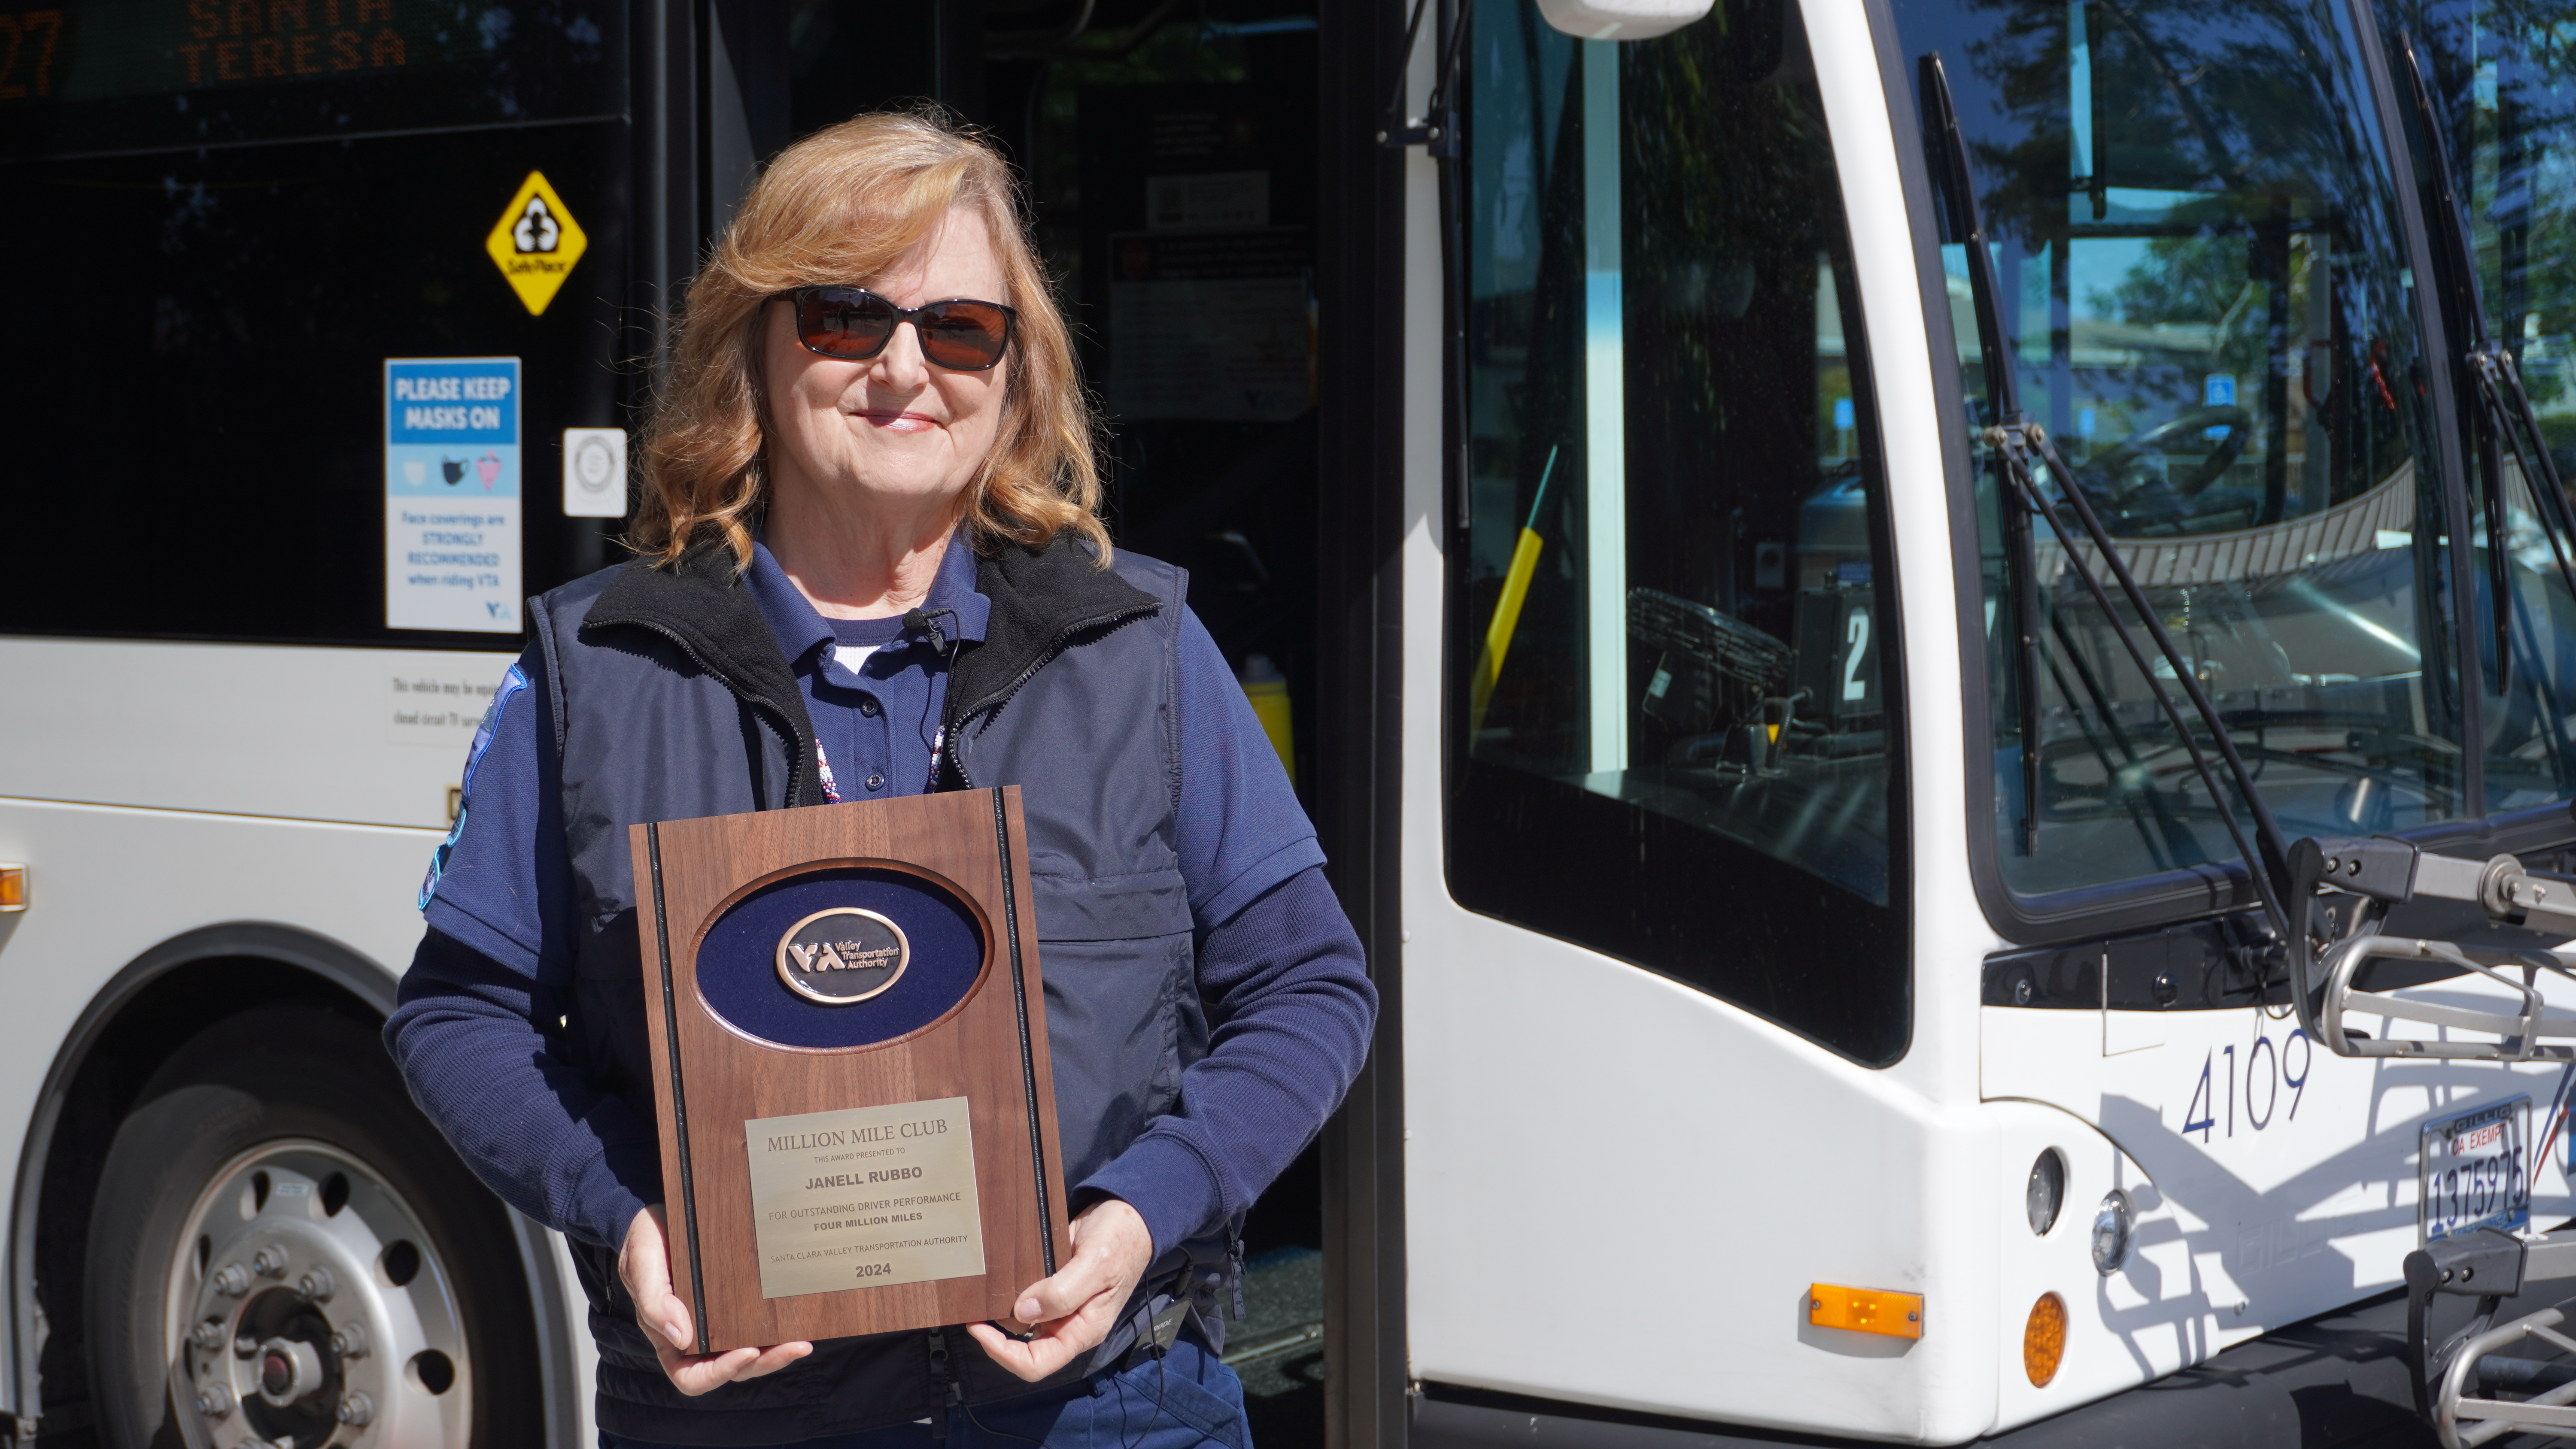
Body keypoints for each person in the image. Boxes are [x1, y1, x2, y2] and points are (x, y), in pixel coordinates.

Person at [383, 109, 1376, 1448]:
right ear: (754, 346)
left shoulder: (1139, 648)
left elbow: (1313, 986)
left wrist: (1149, 1208)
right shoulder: (600, 667)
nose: (907, 367)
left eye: (962, 329)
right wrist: (626, 1217)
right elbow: (457, 1017)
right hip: (741, 1416)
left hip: (1108, 1408)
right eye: (846, 317)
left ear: (1015, 373)